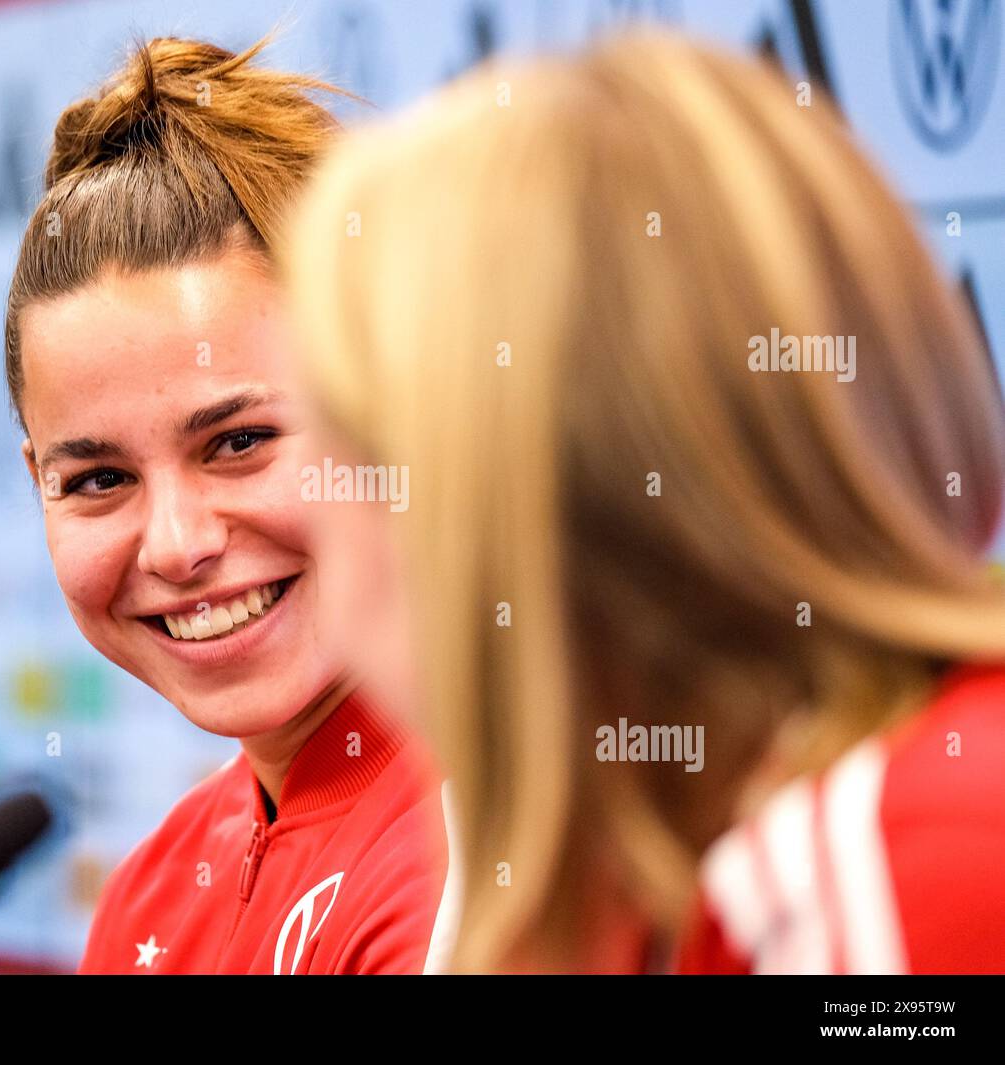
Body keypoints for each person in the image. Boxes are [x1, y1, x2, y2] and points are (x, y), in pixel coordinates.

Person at [283, 32, 1005, 973]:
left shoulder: (894, 875)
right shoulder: (734, 866)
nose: (306, 503)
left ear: (497, 498)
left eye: (327, 440)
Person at [4, 35, 448, 974]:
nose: (177, 544)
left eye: (239, 443)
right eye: (98, 479)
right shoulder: (149, 891)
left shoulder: (494, 860)